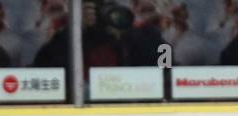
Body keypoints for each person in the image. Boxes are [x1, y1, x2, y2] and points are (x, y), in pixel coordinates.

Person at [33, 0, 164, 67]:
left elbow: (166, 63)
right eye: (93, 8)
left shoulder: (141, 36)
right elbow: (43, 68)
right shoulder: (63, 40)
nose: (101, 14)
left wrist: (126, 33)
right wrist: (75, 30)